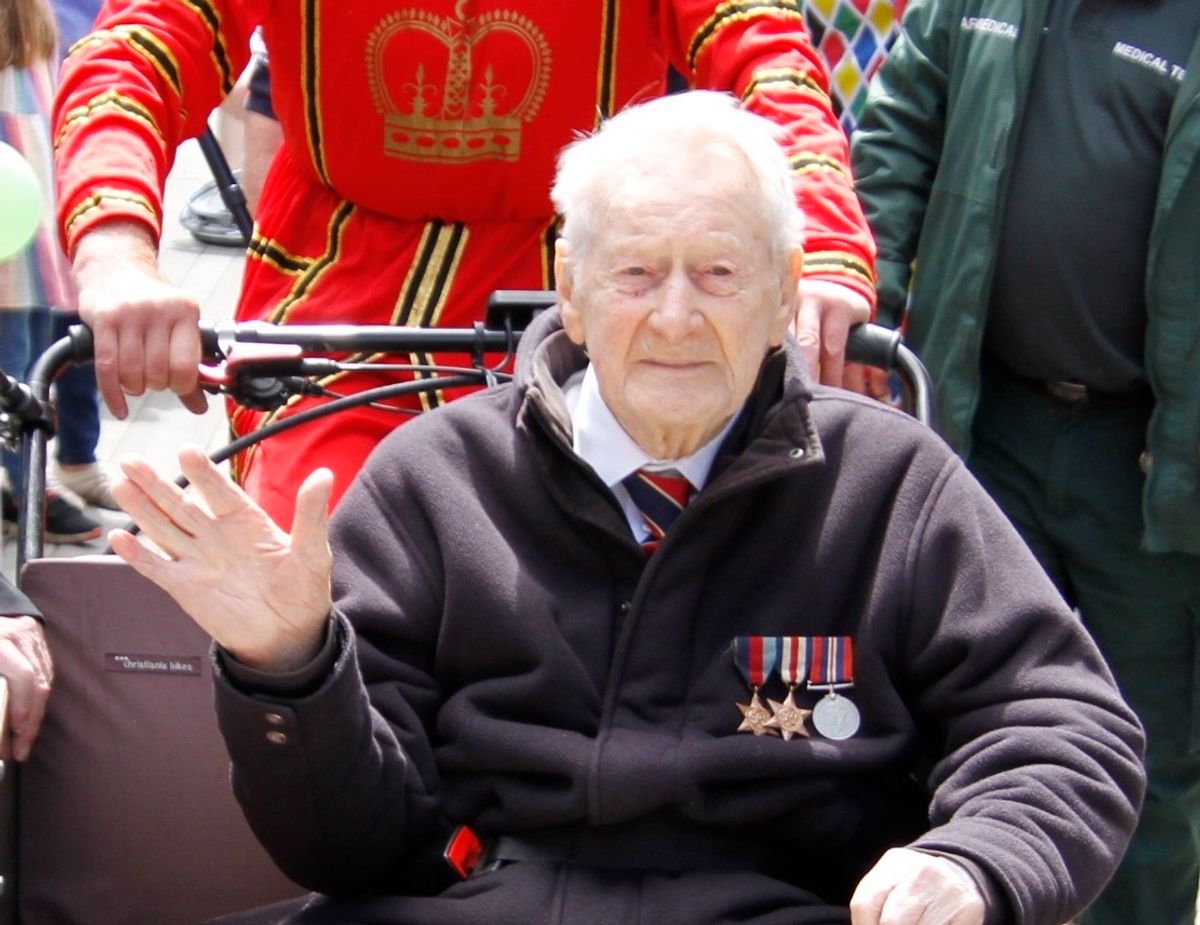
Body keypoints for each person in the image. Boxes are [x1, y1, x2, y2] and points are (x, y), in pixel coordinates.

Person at [107, 91, 1144, 925]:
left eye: (721, 273)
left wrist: (974, 862)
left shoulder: (889, 484)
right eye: (639, 272)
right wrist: (291, 667)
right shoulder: (435, 481)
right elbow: (355, 849)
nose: (678, 316)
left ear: (787, 292)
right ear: (572, 285)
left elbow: (1065, 721)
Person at [53, 0, 878, 529]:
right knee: (314, 563)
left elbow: (768, 61)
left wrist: (824, 254)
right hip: (340, 297)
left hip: (590, 292)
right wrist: (117, 248)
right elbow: (139, 47)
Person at [849, 3, 1200, 923]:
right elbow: (891, 138)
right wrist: (863, 295)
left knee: (1147, 757)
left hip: (1152, 464)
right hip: (982, 422)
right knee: (950, 725)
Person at [1, 0, 102, 543]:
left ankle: (29, 481)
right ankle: (26, 489)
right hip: (9, 229)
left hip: (32, 219)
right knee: (14, 363)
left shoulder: (35, 23)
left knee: (38, 353)